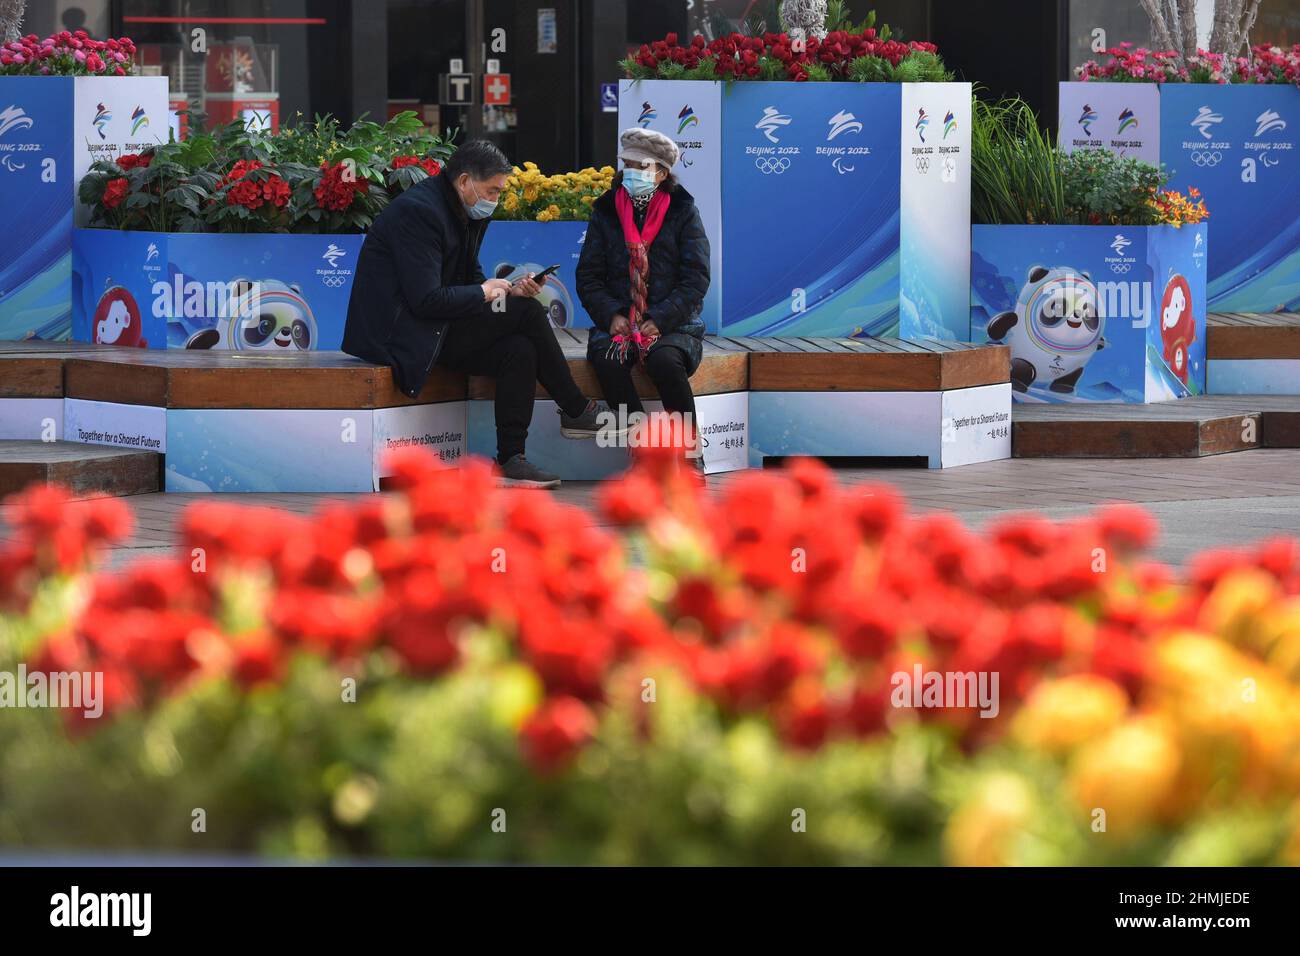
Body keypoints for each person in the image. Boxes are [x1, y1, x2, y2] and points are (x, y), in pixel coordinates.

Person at [342, 139, 607, 488]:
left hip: (439, 324)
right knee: (526, 313)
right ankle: (575, 409)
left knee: (519, 347)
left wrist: (506, 289)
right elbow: (426, 300)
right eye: (491, 191)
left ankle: (512, 458)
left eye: (499, 192)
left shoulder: (465, 210)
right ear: (464, 181)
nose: (494, 200)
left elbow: (469, 278)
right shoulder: (419, 213)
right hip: (403, 335)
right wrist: (486, 292)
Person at [577, 128, 710, 470]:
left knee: (666, 362)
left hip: (674, 323)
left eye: (641, 165)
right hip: (620, 322)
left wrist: (660, 319)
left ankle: (691, 456)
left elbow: (696, 278)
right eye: (627, 165)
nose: (631, 172)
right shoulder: (606, 211)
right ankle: (644, 451)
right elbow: (588, 277)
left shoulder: (683, 211)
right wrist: (611, 316)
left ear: (662, 173)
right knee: (607, 359)